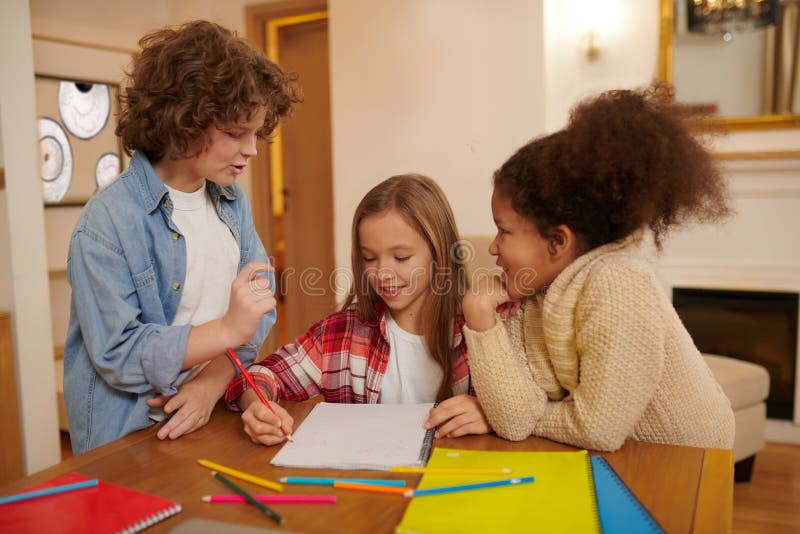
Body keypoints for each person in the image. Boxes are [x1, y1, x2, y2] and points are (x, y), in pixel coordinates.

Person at [63, 20, 301, 454]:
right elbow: (119, 355)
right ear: (184, 121)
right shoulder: (108, 222)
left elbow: (257, 311)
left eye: (256, 132)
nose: (252, 149)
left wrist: (211, 385)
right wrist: (228, 328)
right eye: (235, 133)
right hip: (132, 437)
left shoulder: (231, 202)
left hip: (209, 416)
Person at [462, 85, 735, 451]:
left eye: (504, 230)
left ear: (558, 242)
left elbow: (595, 429)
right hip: (613, 458)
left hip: (687, 459)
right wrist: (480, 317)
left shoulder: (619, 286)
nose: (494, 247)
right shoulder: (526, 292)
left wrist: (527, 415)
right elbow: (513, 421)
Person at [226, 174, 490, 445]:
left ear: (440, 253)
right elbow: (260, 376)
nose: (383, 273)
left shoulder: (480, 330)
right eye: (369, 258)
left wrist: (490, 412)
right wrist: (257, 406)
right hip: (368, 482)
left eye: (401, 257)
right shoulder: (343, 333)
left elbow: (528, 404)